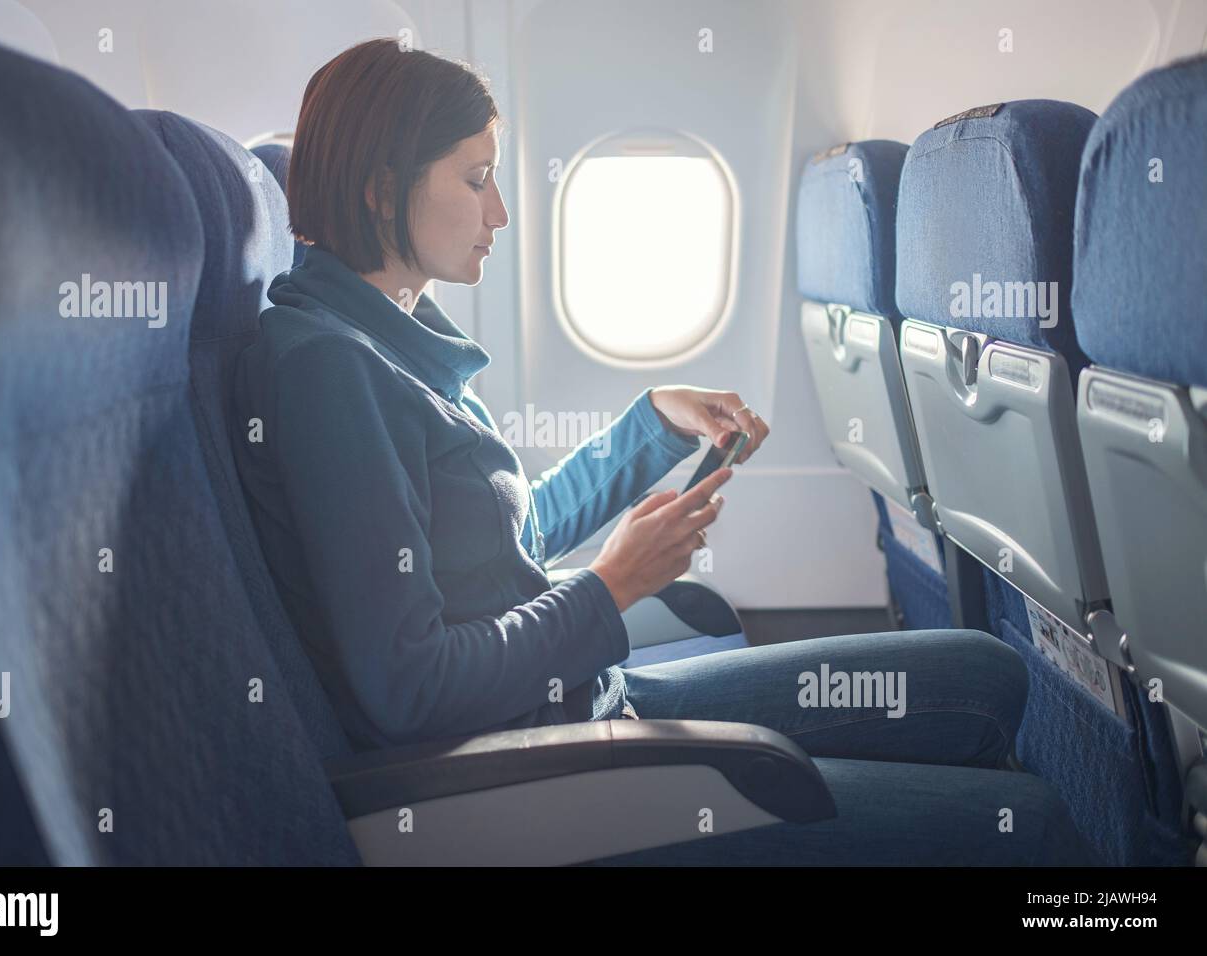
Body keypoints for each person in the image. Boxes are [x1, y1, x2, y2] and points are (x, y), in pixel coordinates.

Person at [231, 38, 1096, 865]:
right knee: (1033, 826)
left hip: (582, 704)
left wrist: (652, 424)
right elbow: (408, 689)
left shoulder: (392, 337)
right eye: (477, 178)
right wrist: (612, 587)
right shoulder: (327, 373)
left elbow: (507, 547)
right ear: (384, 191)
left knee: (984, 676)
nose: (499, 212)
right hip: (534, 782)